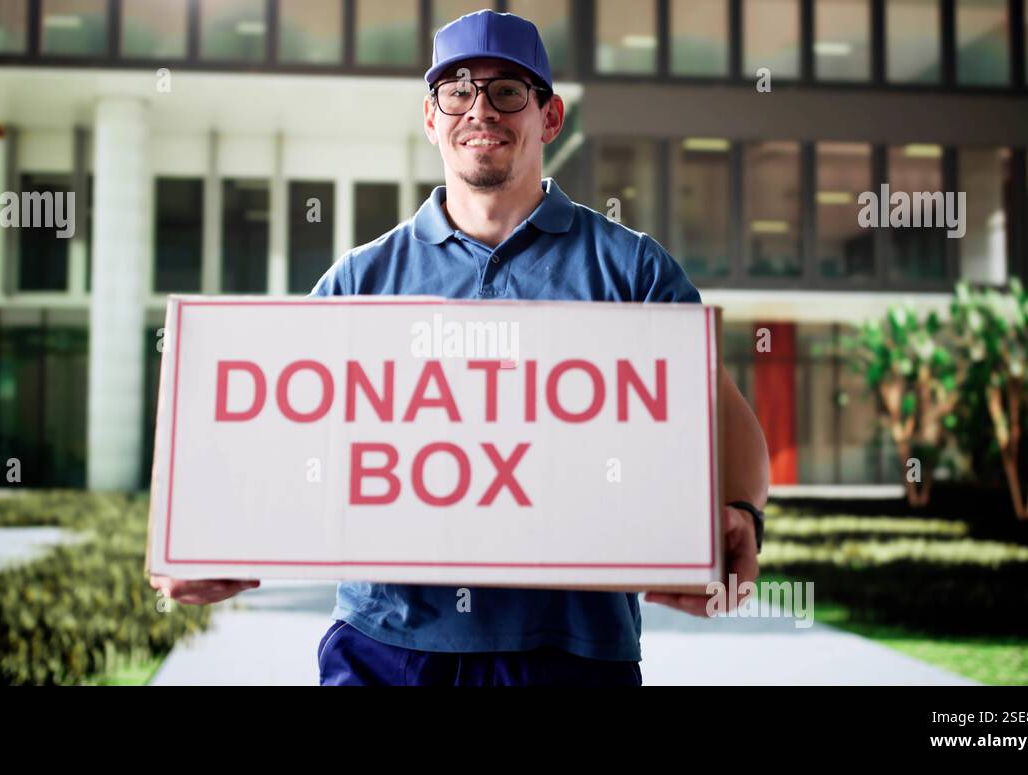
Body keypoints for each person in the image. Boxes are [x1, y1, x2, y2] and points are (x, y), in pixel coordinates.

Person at [151, 9, 770, 686]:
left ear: (550, 116)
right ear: (431, 116)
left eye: (507, 91)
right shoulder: (362, 278)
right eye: (458, 89)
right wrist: (203, 532)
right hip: (387, 647)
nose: (481, 109)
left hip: (573, 652)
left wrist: (741, 509)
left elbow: (716, 402)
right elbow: (281, 429)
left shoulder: (631, 269)